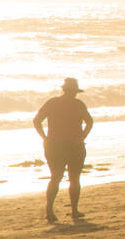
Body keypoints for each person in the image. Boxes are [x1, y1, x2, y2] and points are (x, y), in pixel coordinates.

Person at [34, 77, 93, 224]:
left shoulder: (53, 103)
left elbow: (36, 121)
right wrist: (82, 137)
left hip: (55, 146)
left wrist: (45, 138)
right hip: (73, 146)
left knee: (56, 177)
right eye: (74, 91)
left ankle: (51, 210)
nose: (74, 94)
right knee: (73, 178)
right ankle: (72, 210)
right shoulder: (78, 104)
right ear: (73, 91)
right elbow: (90, 122)